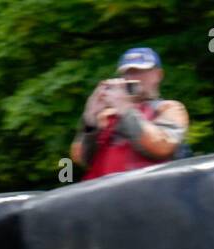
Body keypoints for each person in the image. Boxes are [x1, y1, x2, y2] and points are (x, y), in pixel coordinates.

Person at [71, 48, 190, 181]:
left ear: (158, 75)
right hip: (105, 196)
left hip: (150, 193)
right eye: (127, 73)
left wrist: (125, 109)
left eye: (139, 71)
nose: (132, 77)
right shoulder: (107, 116)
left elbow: (161, 147)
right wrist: (90, 121)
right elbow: (82, 160)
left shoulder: (169, 108)